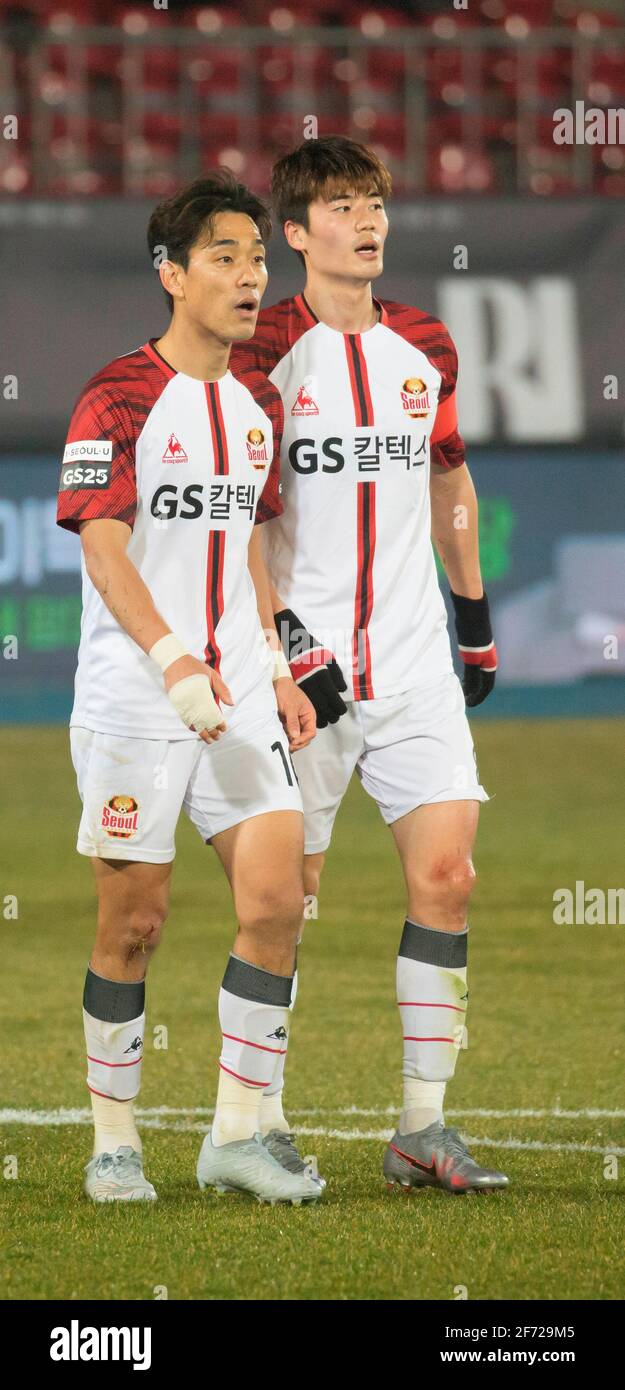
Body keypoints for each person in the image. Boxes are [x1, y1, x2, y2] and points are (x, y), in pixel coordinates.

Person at [230, 137, 509, 1194]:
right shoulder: (261, 351)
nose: (367, 221)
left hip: (410, 662)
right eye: (342, 206)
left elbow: (448, 479)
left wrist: (471, 615)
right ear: (295, 233)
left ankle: (421, 1129)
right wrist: (280, 649)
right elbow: (242, 519)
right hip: (299, 676)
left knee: (448, 877)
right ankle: (259, 1120)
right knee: (280, 899)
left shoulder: (423, 342)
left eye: (375, 203)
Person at [56, 172, 323, 1207]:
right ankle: (114, 1143)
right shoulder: (115, 396)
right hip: (138, 693)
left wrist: (275, 660)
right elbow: (107, 552)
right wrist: (173, 660)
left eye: (257, 259)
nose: (250, 276)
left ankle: (234, 1137)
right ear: (172, 274)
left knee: (277, 900)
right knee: (136, 921)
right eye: (224, 258)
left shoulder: (257, 403)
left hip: (239, 694)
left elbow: (248, 548)